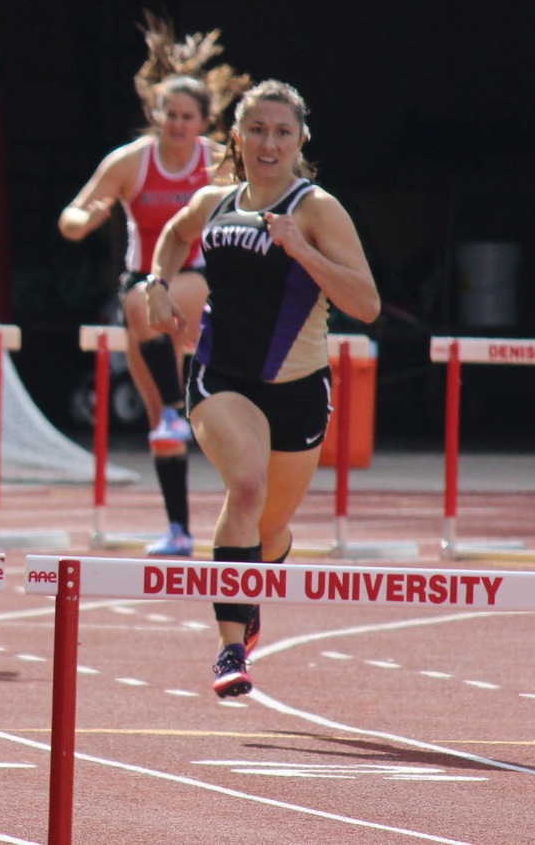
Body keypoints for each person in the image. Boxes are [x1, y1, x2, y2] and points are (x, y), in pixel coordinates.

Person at [145, 80, 379, 697]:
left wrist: (301, 249)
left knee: (269, 529)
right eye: (256, 130)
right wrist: (152, 282)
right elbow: (171, 237)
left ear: (301, 139)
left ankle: (252, 585)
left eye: (281, 131)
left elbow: (367, 304)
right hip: (221, 377)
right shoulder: (214, 202)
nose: (267, 142)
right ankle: (228, 650)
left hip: (298, 390)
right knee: (244, 485)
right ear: (236, 137)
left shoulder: (317, 208)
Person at [58, 13, 249, 557]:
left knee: (154, 297)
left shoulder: (216, 164)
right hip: (142, 294)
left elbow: (266, 198)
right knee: (162, 429)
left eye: (189, 117)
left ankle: (243, 500)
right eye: (170, 114)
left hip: (198, 284)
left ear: (205, 122)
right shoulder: (129, 163)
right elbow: (71, 216)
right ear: (155, 113)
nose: (178, 125)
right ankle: (180, 530)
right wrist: (86, 219)